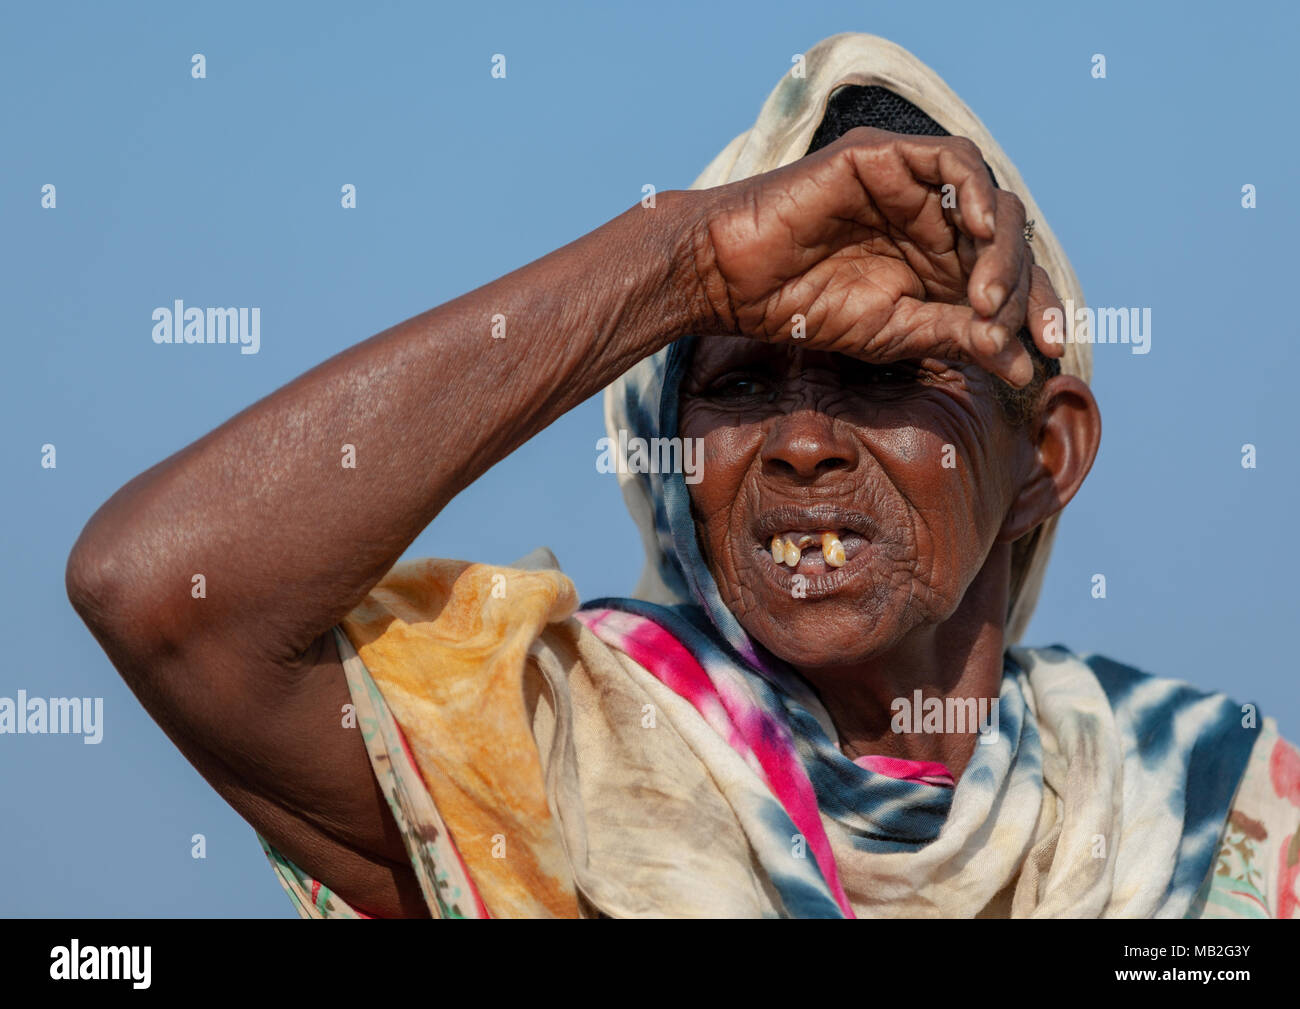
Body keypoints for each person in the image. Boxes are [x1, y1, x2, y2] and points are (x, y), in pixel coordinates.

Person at [66, 33, 1300, 918]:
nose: (802, 443)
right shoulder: (551, 763)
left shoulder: (1201, 813)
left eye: (883, 379)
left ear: (1045, 456)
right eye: (739, 381)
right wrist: (685, 263)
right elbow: (162, 592)